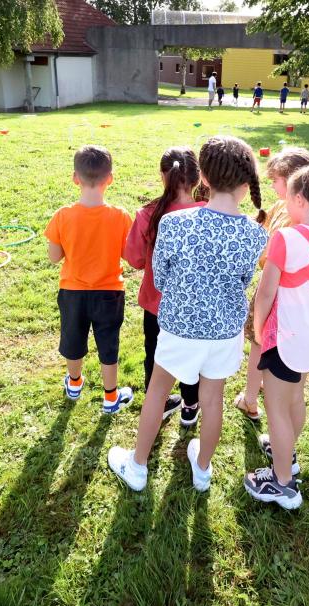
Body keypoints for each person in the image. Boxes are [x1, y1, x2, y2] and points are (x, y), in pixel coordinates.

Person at [107, 136, 267, 493]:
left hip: (179, 328)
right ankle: (203, 470)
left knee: (157, 393)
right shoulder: (256, 233)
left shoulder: (174, 224)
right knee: (213, 400)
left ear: (204, 178)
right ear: (245, 184)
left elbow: (160, 279)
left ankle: (137, 466)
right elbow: (243, 281)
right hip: (224, 333)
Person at [245, 164, 309, 509]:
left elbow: (265, 293)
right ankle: (286, 454)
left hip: (283, 336)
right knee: (295, 400)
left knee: (276, 411)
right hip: (308, 335)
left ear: (299, 199)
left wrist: (258, 331)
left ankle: (283, 483)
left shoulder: (285, 238)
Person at [234, 147, 309, 425]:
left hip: (273, 293)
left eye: (275, 180)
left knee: (259, 343)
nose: (271, 185)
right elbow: (262, 222)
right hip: (301, 300)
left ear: (294, 181)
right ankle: (267, 384)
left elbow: (269, 257)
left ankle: (250, 400)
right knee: (278, 347)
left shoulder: (291, 219)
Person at [45, 145, 134, 414]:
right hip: (110, 293)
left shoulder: (62, 215)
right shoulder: (120, 216)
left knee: (73, 340)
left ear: (76, 178)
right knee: (108, 343)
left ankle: (74, 383)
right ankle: (110, 397)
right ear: (110, 178)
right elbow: (128, 255)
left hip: (73, 292)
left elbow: (54, 257)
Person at [124, 147, 204, 427]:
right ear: (198, 178)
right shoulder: (209, 214)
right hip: (195, 304)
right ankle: (190, 406)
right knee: (192, 357)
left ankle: (156, 403)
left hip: (156, 304)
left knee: (155, 354)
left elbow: (134, 259)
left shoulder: (148, 213)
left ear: (162, 175)